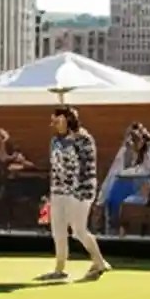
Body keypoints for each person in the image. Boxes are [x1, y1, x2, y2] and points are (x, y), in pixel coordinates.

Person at [41, 107, 110, 282]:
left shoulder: (83, 139)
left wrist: (77, 191)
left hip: (80, 190)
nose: (54, 124)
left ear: (67, 120)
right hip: (58, 191)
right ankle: (59, 269)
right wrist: (52, 193)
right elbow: (55, 168)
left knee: (78, 230)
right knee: (58, 229)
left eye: (57, 120)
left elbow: (85, 167)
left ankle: (99, 262)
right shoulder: (55, 141)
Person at [98, 122, 150, 234]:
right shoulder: (137, 151)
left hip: (148, 187)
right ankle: (112, 224)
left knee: (118, 186)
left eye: (135, 140)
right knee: (116, 186)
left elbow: (149, 171)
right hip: (137, 183)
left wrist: (126, 173)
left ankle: (112, 226)